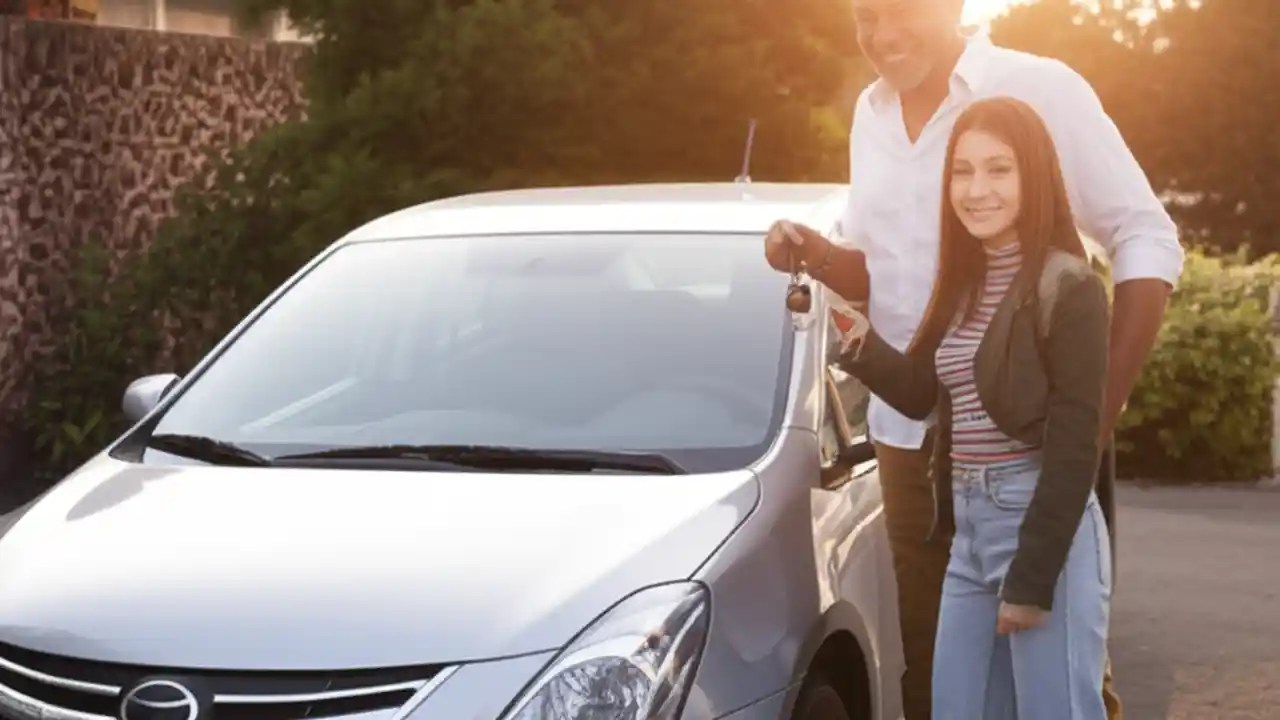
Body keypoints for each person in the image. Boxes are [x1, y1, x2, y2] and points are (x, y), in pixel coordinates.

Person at [763, 2, 1184, 718]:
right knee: (936, 685)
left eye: (903, 13)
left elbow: (1146, 235)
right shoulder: (870, 115)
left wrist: (1093, 413)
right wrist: (817, 253)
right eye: (866, 17)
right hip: (913, 445)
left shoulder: (1039, 87)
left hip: (1034, 449)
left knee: (1056, 686)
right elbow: (889, 275)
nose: (884, 36)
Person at [847, 94, 1114, 718]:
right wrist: (855, 341)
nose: (976, 189)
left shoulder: (1068, 287)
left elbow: (1078, 445)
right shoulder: (962, 283)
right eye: (962, 171)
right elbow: (920, 394)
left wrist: (1032, 579)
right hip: (968, 530)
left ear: (1035, 175)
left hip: (1044, 528)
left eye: (999, 169)